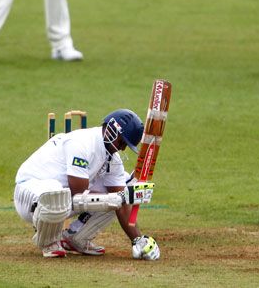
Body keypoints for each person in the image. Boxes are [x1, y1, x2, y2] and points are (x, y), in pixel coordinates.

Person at [13, 109, 161, 260]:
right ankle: (48, 242)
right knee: (58, 192)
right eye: (122, 142)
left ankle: (75, 238)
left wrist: (138, 240)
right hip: (29, 192)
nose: (122, 148)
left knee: (120, 197)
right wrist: (117, 197)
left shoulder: (112, 158)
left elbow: (121, 202)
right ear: (112, 130)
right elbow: (78, 192)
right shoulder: (82, 143)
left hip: (62, 199)